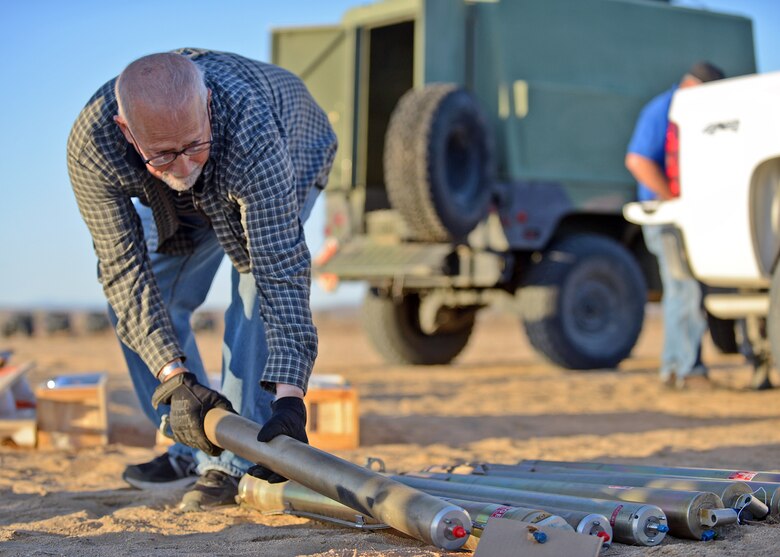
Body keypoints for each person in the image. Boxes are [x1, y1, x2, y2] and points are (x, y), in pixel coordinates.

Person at [67, 49, 337, 510]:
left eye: (193, 145)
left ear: (207, 104)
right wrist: (175, 380)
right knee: (137, 301)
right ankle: (192, 441)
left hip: (291, 140)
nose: (185, 166)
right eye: (165, 154)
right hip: (175, 206)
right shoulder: (92, 149)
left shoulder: (248, 125)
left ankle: (238, 459)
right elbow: (123, 271)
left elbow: (279, 266)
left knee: (253, 287)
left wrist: (290, 397)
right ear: (127, 131)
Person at [625, 61, 724, 390]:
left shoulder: (681, 109)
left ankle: (674, 368)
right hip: (668, 217)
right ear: (693, 86)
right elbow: (637, 160)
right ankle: (686, 371)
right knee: (685, 289)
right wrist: (673, 200)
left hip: (678, 215)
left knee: (681, 289)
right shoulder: (665, 109)